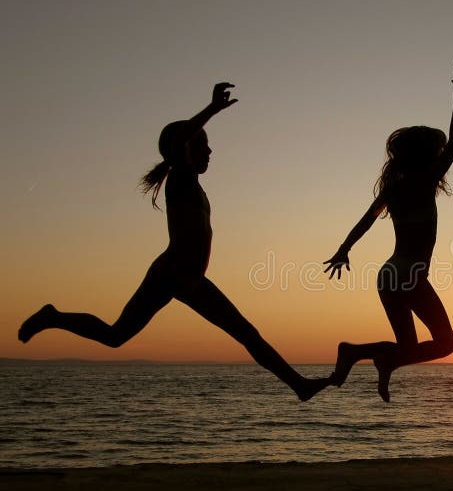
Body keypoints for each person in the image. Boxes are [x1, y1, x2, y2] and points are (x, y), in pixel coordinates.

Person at [18, 83, 331, 401]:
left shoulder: (193, 184)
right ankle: (52, 317)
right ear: (185, 150)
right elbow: (179, 140)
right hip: (173, 274)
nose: (210, 151)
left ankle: (299, 385)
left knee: (123, 335)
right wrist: (212, 109)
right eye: (203, 144)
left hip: (185, 277)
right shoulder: (181, 178)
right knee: (234, 333)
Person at [323, 62, 453, 402]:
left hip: (388, 275)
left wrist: (344, 248)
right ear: (427, 157)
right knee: (446, 343)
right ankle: (371, 357)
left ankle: (357, 352)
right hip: (409, 276)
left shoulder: (394, 188)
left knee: (408, 346)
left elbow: (367, 219)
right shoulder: (425, 180)